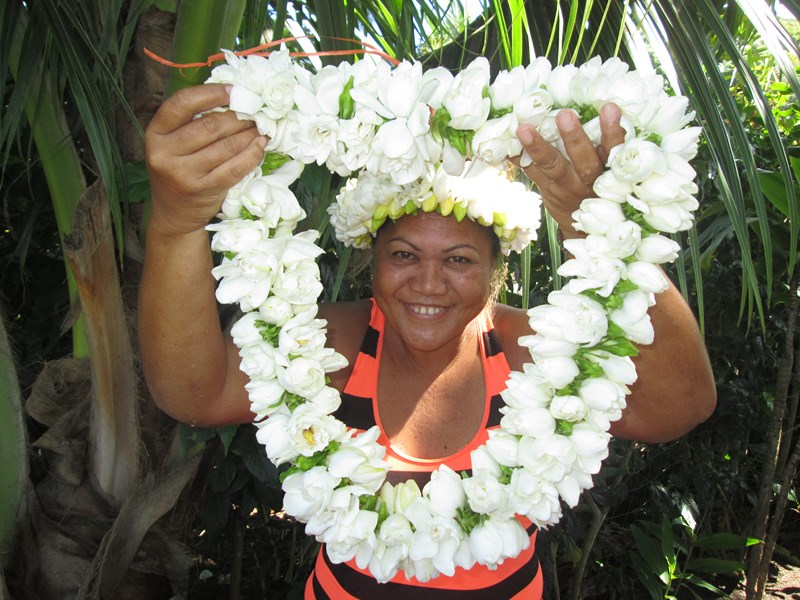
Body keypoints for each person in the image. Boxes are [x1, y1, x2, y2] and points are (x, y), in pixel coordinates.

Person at [139, 82, 716, 598]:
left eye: (460, 259)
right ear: (374, 262)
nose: (429, 283)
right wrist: (178, 221)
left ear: (497, 270)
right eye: (404, 255)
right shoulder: (331, 345)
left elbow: (678, 409)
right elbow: (196, 395)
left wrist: (607, 234)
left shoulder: (530, 349)